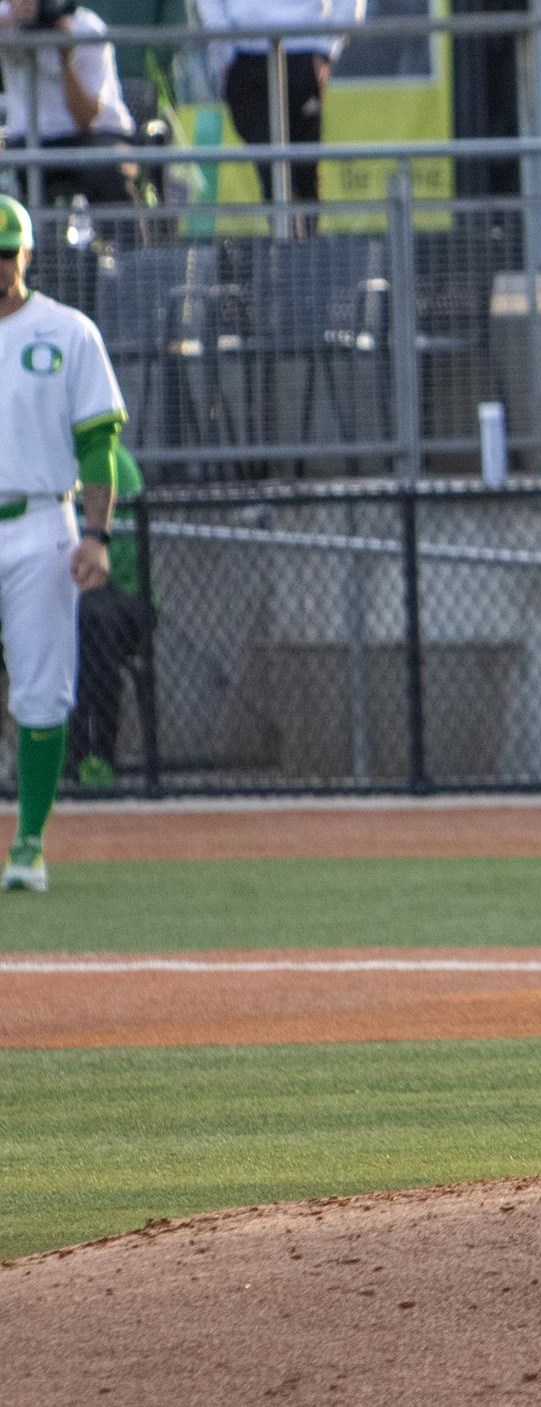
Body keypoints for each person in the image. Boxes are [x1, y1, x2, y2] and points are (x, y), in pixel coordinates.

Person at [0, 193, 124, 892]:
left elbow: (99, 440)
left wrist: (99, 535)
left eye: (6, 252)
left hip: (41, 521)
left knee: (42, 691)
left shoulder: (68, 331)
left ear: (27, 254)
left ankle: (28, 845)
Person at [195, 0, 364, 218]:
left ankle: (305, 247)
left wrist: (326, 49)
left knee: (305, 169)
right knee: (270, 169)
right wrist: (225, 52)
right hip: (245, 58)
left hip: (303, 55)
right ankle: (286, 243)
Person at [0, 0, 142, 206]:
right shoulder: (7, 20)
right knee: (15, 175)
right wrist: (9, 19)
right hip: (28, 139)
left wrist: (66, 58)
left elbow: (85, 119)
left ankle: (126, 239)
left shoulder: (88, 28)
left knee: (108, 170)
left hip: (97, 135)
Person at [67, 438, 143, 788]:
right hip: (65, 595)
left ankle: (94, 754)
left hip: (122, 600)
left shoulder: (115, 466)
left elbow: (119, 565)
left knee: (91, 622)